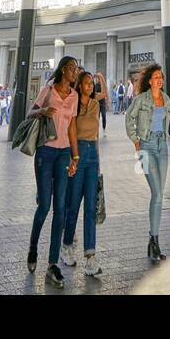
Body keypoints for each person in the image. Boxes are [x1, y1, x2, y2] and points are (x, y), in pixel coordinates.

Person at [28, 54, 80, 288]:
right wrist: (43, 111)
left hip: (63, 154)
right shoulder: (48, 90)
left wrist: (75, 156)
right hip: (45, 152)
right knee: (44, 206)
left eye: (76, 70)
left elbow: (71, 127)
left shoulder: (75, 96)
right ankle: (32, 246)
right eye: (70, 69)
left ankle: (52, 264)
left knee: (61, 208)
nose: (74, 72)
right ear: (62, 70)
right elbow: (30, 113)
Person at [126, 63, 170, 262]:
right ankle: (153, 241)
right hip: (146, 146)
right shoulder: (141, 99)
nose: (159, 80)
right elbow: (129, 118)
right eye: (155, 77)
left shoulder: (166, 98)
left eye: (160, 77)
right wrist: (136, 140)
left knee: (160, 195)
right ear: (149, 80)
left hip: (163, 146)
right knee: (157, 193)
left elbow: (166, 122)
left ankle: (154, 240)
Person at [60, 70, 103, 277]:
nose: (90, 86)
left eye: (91, 83)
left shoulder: (95, 104)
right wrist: (72, 158)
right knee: (74, 205)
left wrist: (98, 164)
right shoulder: (73, 104)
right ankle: (66, 245)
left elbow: (96, 136)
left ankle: (90, 258)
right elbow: (70, 132)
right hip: (77, 154)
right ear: (79, 85)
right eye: (86, 83)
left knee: (91, 209)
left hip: (93, 156)